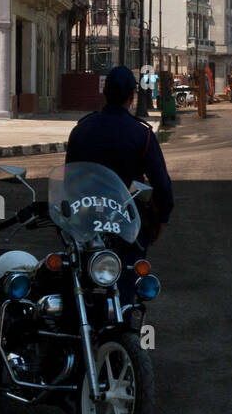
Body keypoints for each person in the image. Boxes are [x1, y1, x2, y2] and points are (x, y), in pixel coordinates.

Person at [65, 66, 174, 305]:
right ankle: (124, 324)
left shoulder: (81, 130)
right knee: (126, 285)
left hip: (85, 222)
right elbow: (162, 186)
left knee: (79, 282)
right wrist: (161, 220)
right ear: (132, 95)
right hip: (125, 223)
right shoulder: (141, 133)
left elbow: (69, 181)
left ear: (104, 92)